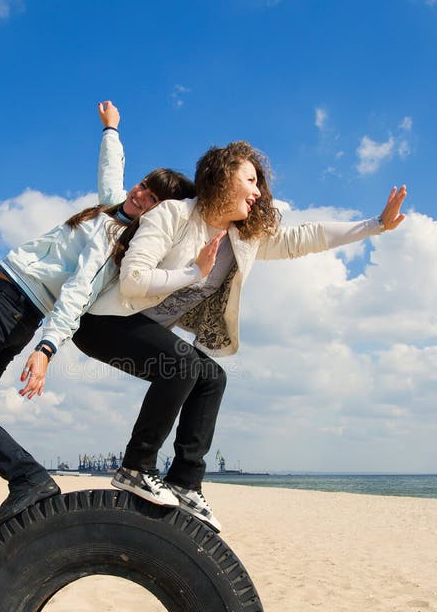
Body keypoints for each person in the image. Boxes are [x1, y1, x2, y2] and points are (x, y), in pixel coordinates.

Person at [61, 141, 407, 533]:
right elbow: (133, 279)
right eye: (250, 180)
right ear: (223, 177)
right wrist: (193, 272)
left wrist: (376, 224)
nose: (258, 191)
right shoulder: (173, 214)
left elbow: (306, 236)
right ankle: (136, 466)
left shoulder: (241, 239)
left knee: (211, 377)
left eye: (259, 183)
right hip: (103, 323)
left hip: (143, 331)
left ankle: (185, 481)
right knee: (182, 364)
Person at [0, 101, 195, 526]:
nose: (139, 194)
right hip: (15, 311)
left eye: (152, 199)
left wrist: (46, 349)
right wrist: (112, 129)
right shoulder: (112, 210)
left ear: (159, 213)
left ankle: (28, 478)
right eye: (143, 185)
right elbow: (111, 175)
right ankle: (27, 477)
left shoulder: (113, 240)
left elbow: (77, 293)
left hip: (8, 301)